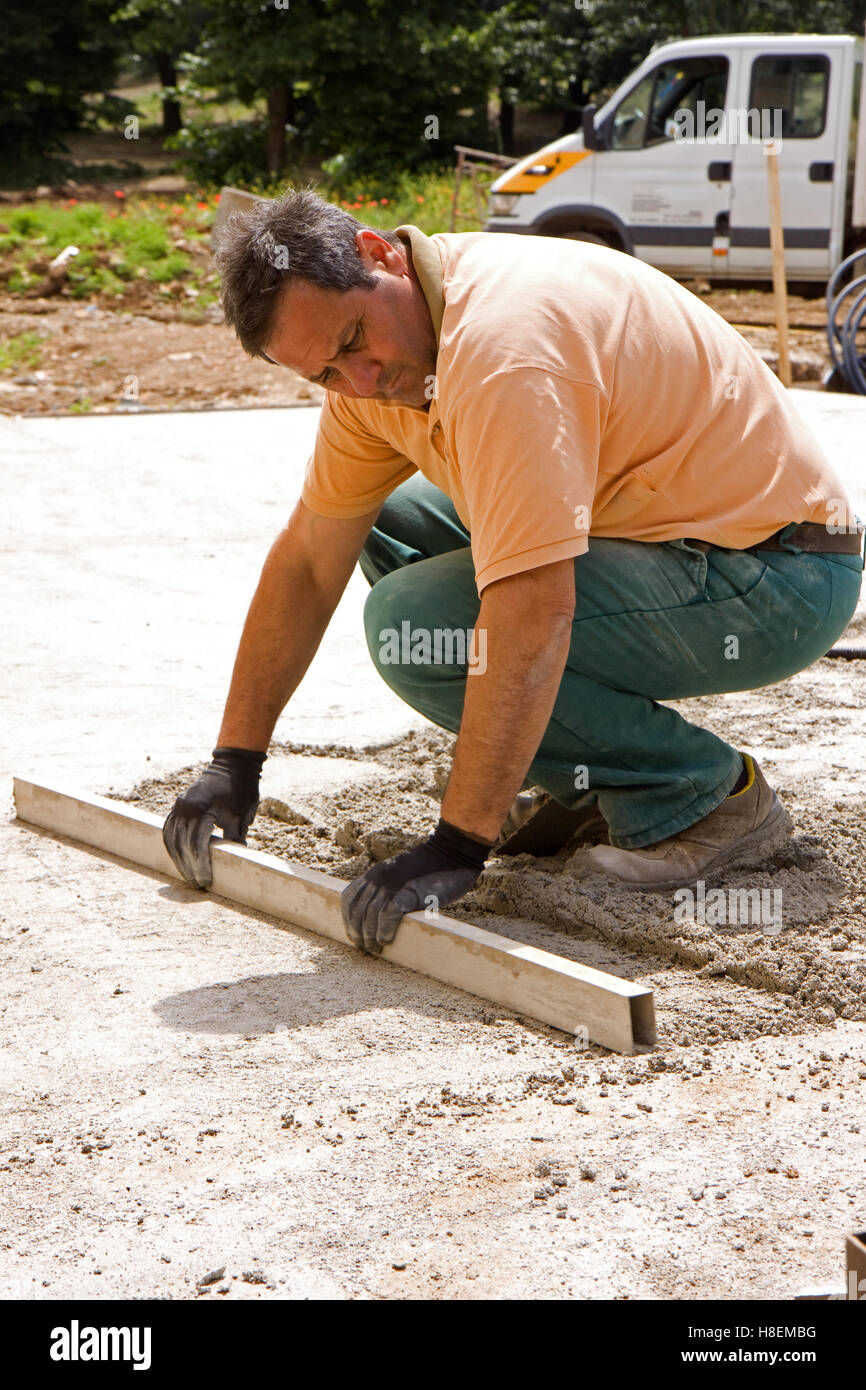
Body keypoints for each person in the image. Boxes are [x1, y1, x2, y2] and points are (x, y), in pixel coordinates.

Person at [162, 188, 863, 957]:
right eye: (326, 373)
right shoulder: (384, 358)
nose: (361, 383)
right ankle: (599, 779)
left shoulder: (502, 348)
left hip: (776, 573)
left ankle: (701, 798)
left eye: (357, 342)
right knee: (388, 525)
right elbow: (307, 558)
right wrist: (235, 762)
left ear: (378, 252)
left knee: (415, 625)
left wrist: (460, 843)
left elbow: (532, 606)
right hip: (663, 540)